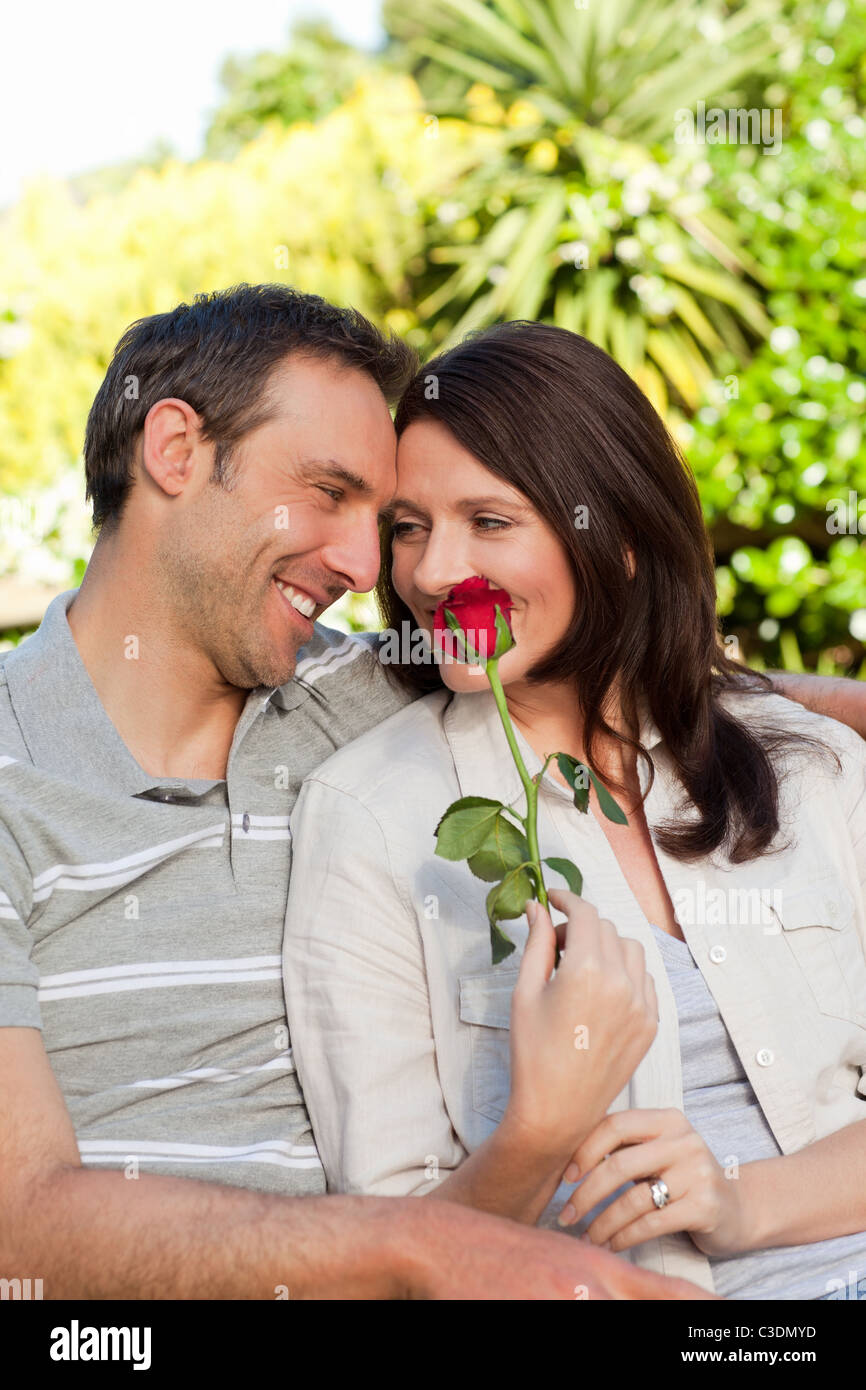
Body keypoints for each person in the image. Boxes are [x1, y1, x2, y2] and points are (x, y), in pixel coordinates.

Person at [0, 284, 717, 1301]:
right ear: (174, 450)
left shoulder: (375, 688)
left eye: (380, 520)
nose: (360, 562)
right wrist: (422, 1250)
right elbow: (19, 1225)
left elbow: (669, 685)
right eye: (328, 492)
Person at [284, 319, 866, 1300]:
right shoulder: (373, 817)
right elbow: (388, 1260)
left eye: (489, 520)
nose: (429, 573)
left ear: (623, 541)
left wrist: (734, 1201)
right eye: (409, 527)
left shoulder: (807, 764)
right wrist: (539, 1128)